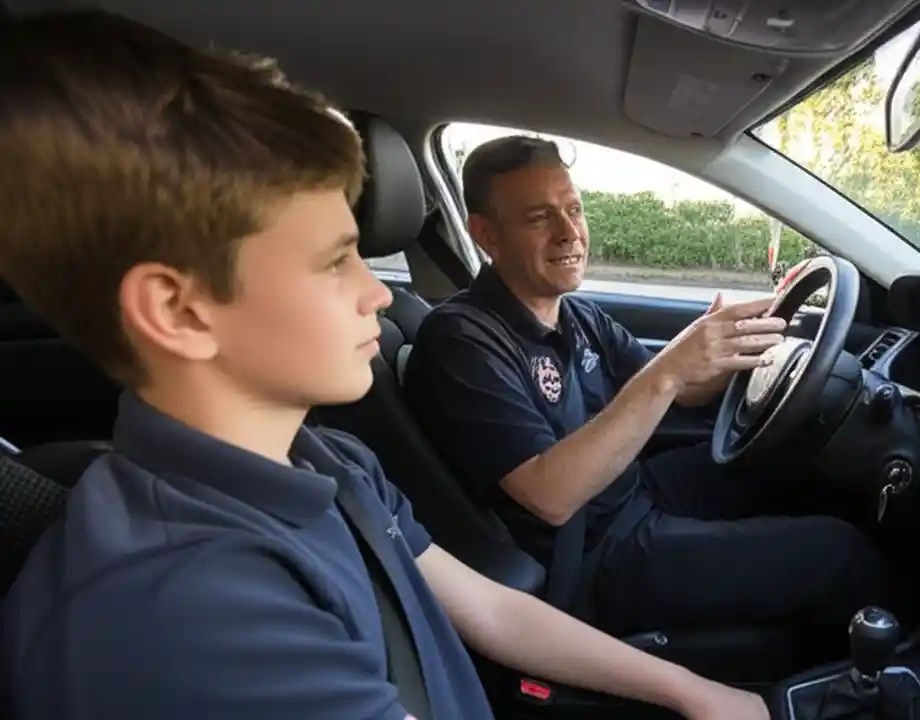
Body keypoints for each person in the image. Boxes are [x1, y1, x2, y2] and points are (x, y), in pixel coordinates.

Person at [0, 10, 769, 720]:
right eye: (337, 263)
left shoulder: (325, 459)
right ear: (178, 312)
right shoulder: (186, 615)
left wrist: (693, 693)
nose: (376, 293)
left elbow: (493, 612)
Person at [403, 136, 893, 646]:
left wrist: (753, 336)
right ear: (486, 235)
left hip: (634, 491)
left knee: (803, 471)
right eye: (539, 218)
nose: (570, 232)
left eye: (574, 209)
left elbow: (684, 395)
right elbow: (551, 496)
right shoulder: (461, 341)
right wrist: (671, 370)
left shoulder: (579, 317)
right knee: (837, 554)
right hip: (590, 556)